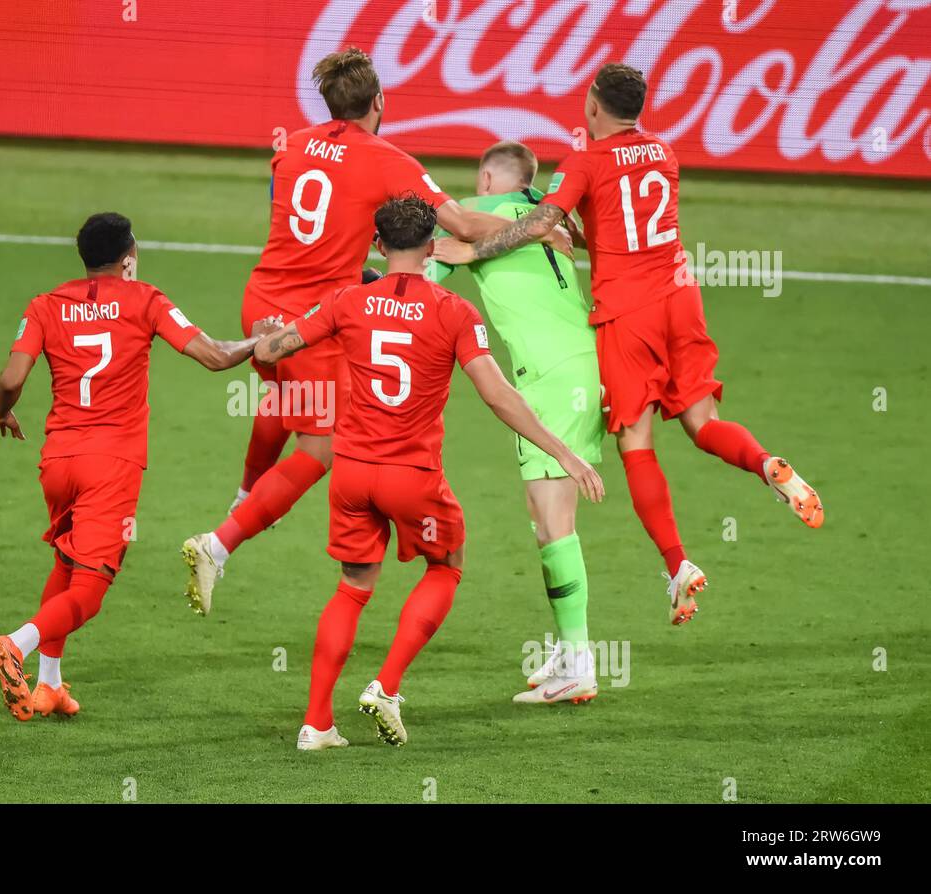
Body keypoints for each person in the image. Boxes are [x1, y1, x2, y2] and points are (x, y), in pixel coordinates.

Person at [179, 46, 572, 617]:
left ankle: (247, 495)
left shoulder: (288, 146)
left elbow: (303, 206)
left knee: (286, 395)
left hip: (261, 298)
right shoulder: (390, 160)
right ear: (379, 102)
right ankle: (219, 543)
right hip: (314, 312)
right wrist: (537, 224)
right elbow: (460, 223)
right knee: (321, 445)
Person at [434, 63, 823, 626]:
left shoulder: (587, 161)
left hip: (630, 310)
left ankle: (678, 565)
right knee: (704, 422)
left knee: (636, 444)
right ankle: (765, 463)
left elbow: (543, 219)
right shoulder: (664, 153)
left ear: (593, 107)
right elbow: (622, 225)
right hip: (681, 295)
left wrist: (474, 253)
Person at [254, 197, 602, 750]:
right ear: (432, 243)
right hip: (411, 476)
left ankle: (317, 723)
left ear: (378, 245)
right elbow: (497, 394)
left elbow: (273, 348)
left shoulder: (347, 300)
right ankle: (386, 688)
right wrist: (563, 451)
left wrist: (261, 336)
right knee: (446, 567)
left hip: (350, 474)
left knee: (351, 589)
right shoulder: (453, 312)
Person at [0, 213, 280, 721]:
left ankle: (49, 684)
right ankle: (14, 643)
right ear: (128, 257)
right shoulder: (145, 300)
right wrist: (259, 338)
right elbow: (213, 356)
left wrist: (1, 409)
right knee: (91, 590)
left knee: (66, 561)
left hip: (58, 460)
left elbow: (11, 376)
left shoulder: (45, 305)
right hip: (111, 465)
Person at [426, 140, 605, 703]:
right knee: (543, 511)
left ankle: (578, 661)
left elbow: (425, 275)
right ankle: (568, 648)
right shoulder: (549, 214)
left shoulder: (481, 216)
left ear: (484, 180)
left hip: (550, 374)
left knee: (555, 521)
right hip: (580, 363)